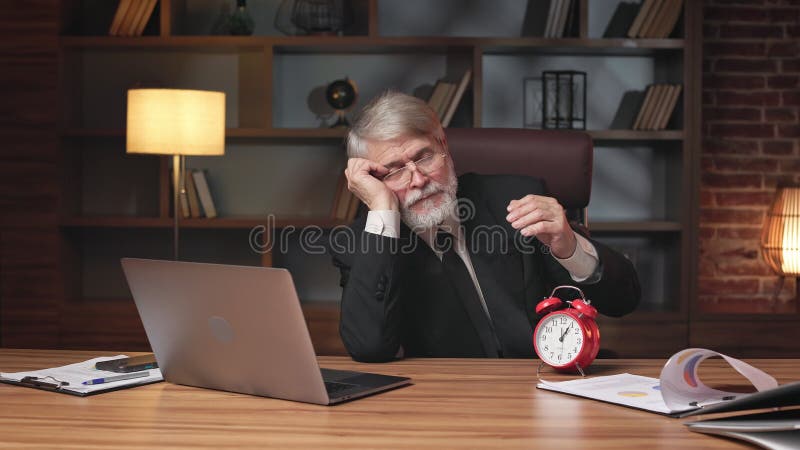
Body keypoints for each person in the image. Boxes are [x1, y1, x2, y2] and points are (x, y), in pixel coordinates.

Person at [331, 90, 640, 362]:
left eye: (424, 157)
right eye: (394, 171)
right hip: (439, 405)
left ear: (445, 148)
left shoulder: (515, 200)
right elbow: (369, 347)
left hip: (537, 385)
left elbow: (623, 300)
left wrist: (570, 246)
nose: (419, 180)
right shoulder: (366, 242)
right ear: (372, 181)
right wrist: (384, 209)